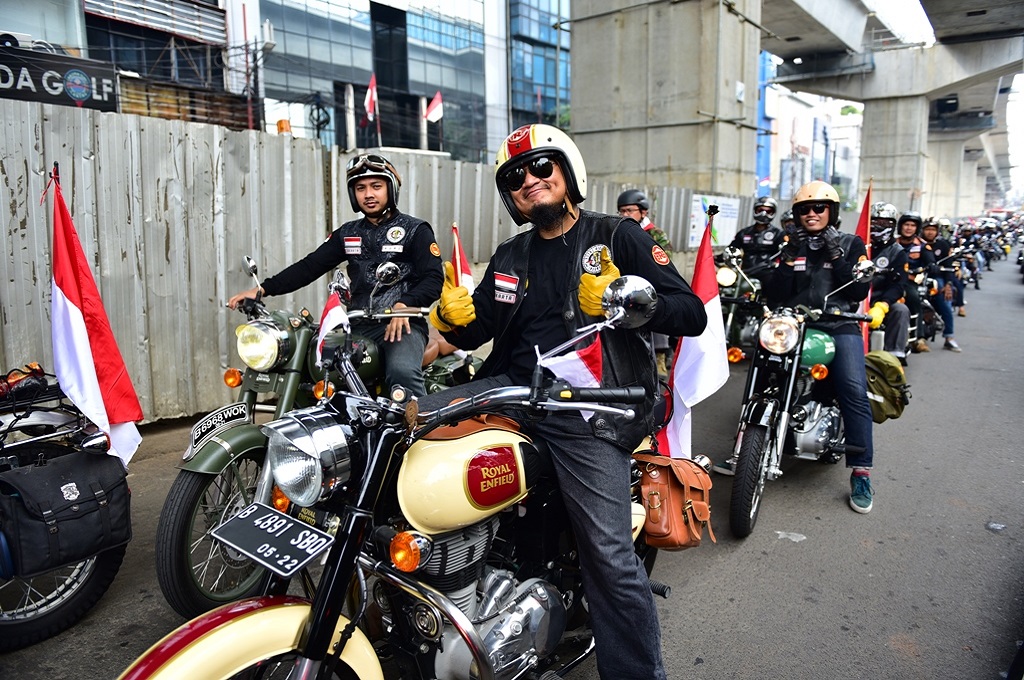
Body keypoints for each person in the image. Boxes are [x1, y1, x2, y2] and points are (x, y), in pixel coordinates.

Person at [424, 124, 707, 679]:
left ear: (568, 173)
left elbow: (690, 311)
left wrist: (628, 300)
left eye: (541, 167)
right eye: (515, 177)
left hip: (590, 404)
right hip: (510, 390)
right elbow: (481, 323)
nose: (529, 180)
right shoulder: (510, 253)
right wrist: (446, 324)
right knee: (408, 444)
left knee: (607, 554)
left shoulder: (616, 237)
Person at [227, 153, 443, 397]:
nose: (368, 194)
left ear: (390, 189)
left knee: (402, 372)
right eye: (361, 188)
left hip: (402, 325)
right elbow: (309, 267)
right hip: (357, 324)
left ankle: (423, 431)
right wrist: (262, 289)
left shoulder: (415, 230)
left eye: (376, 186)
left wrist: (406, 305)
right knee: (313, 366)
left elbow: (433, 278)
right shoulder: (348, 233)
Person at [760, 180, 876, 513]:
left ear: (831, 212)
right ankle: (746, 444)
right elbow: (776, 293)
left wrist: (836, 254)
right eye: (804, 209)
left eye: (819, 207)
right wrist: (787, 255)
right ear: (796, 214)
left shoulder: (851, 243)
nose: (811, 213)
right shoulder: (790, 243)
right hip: (794, 323)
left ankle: (861, 470)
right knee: (766, 371)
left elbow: (856, 293)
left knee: (853, 388)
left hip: (839, 324)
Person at [617, 189, 674, 376]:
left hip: (650, 287)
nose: (625, 215)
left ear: (643, 212)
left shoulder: (656, 235)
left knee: (656, 310)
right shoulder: (618, 232)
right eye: (622, 211)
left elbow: (664, 261)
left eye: (630, 210)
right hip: (625, 287)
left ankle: (659, 359)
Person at [866, 201, 912, 365]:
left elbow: (899, 285)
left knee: (901, 310)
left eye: (884, 222)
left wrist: (882, 305)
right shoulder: (859, 244)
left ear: (893, 225)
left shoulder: (897, 252)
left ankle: (894, 357)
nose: (878, 226)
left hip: (880, 299)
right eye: (874, 221)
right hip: (855, 297)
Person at [895, 211, 936, 353]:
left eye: (913, 225)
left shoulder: (923, 246)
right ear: (900, 226)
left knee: (913, 299)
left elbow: (931, 263)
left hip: (910, 283)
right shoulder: (892, 243)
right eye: (906, 224)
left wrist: (931, 266)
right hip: (892, 280)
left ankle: (919, 338)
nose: (909, 228)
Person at [920, 217, 961, 351]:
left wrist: (948, 284)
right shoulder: (916, 243)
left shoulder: (943, 245)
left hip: (938, 278)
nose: (930, 232)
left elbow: (949, 266)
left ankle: (949, 337)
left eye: (933, 229)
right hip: (917, 276)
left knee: (946, 304)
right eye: (927, 229)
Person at [728, 195, 784, 278]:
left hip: (768, 272)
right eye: (760, 210)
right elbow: (732, 249)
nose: (763, 214)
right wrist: (715, 257)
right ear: (755, 210)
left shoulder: (778, 234)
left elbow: (785, 252)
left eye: (768, 211)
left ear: (773, 213)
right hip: (745, 274)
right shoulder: (744, 233)